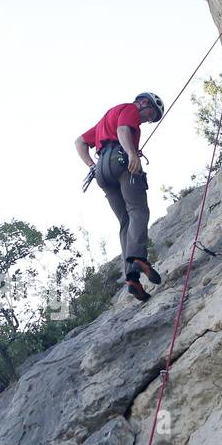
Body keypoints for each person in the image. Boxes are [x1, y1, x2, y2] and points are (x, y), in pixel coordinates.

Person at [75, 92, 166, 301]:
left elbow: (79, 142)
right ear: (144, 103)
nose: (148, 120)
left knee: (125, 221)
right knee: (138, 211)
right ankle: (138, 259)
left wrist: (91, 166)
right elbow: (123, 129)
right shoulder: (130, 109)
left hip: (102, 171)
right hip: (120, 160)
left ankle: (132, 278)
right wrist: (132, 153)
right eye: (151, 114)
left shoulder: (104, 121)